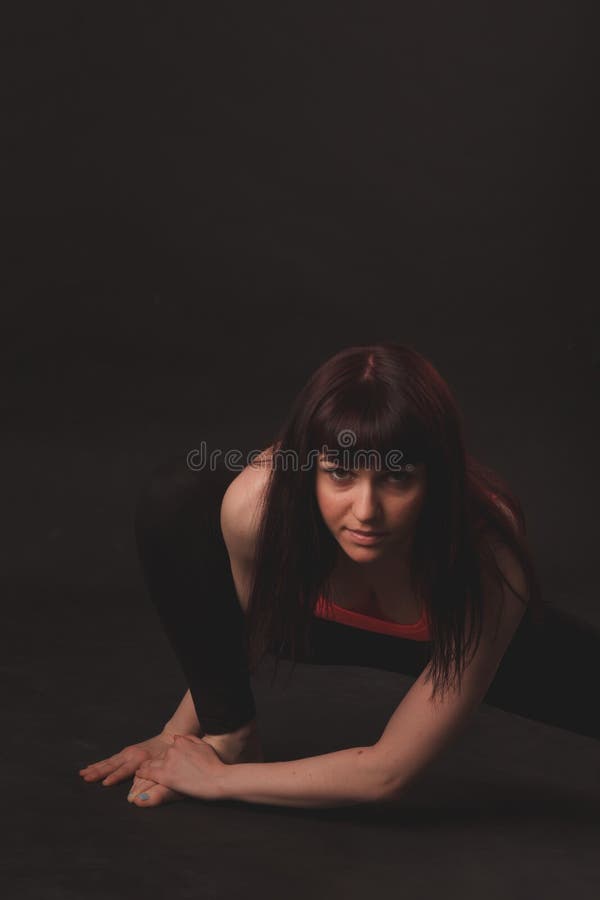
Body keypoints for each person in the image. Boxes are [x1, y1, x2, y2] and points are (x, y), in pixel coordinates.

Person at [78, 342, 600, 810]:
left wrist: (217, 781)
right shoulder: (258, 508)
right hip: (304, 626)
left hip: (449, 635)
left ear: (435, 477)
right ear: (310, 468)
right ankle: (232, 733)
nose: (366, 510)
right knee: (178, 495)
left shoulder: (486, 551)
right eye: (340, 473)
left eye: (396, 477)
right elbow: (235, 632)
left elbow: (387, 773)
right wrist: (185, 738)